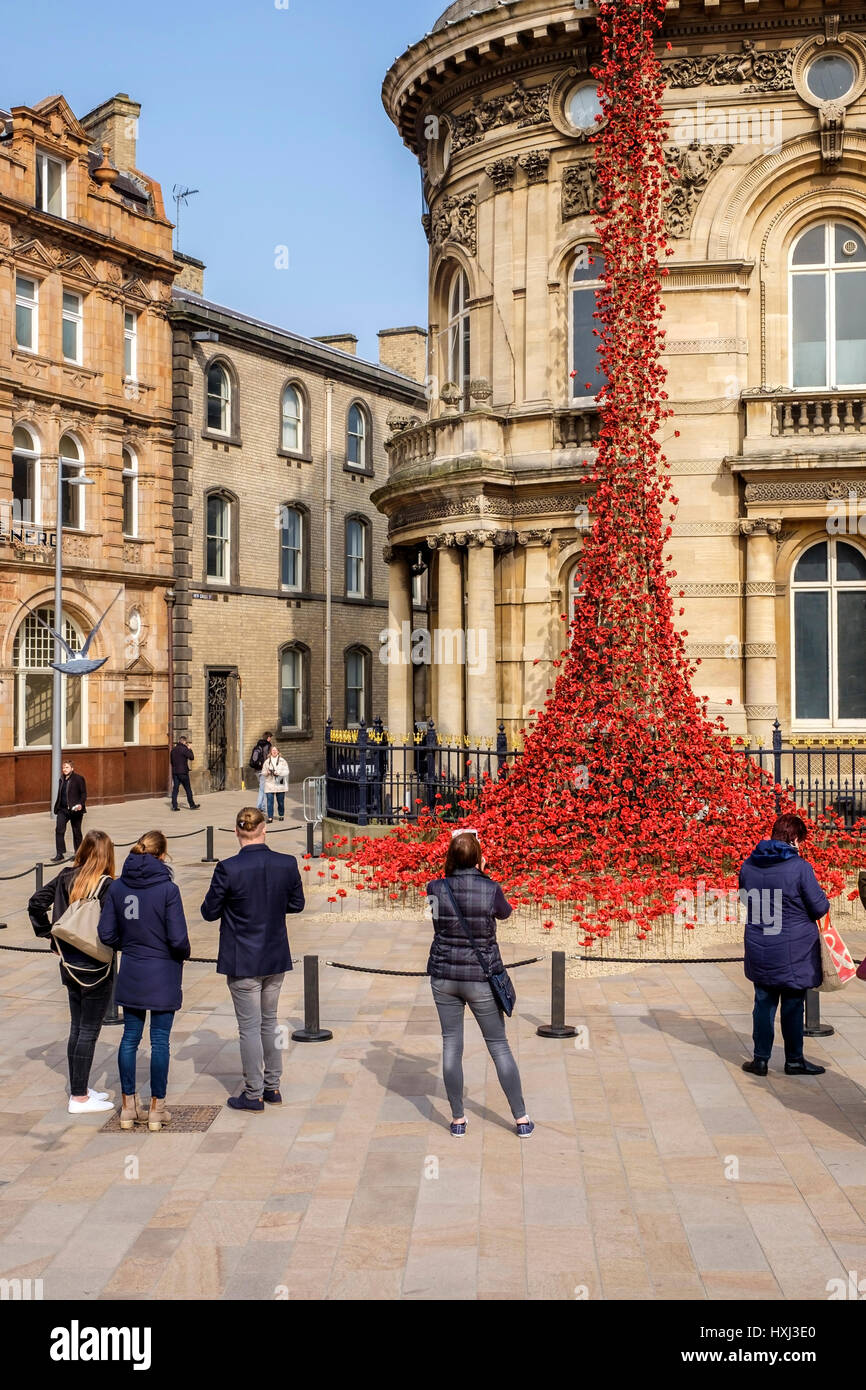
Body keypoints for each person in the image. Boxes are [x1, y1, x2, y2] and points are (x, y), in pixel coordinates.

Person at [427, 832, 533, 1138]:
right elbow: (506, 913)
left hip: (444, 975)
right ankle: (521, 1118)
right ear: (477, 857)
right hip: (480, 977)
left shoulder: (435, 887)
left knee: (451, 1044)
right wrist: (483, 875)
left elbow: (436, 921)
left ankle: (458, 1119)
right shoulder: (490, 888)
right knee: (498, 1046)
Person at [200, 807, 305, 1112]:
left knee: (249, 1027)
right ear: (264, 829)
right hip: (273, 954)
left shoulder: (228, 869)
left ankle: (253, 1092)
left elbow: (208, 912)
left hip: (243, 957)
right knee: (269, 1023)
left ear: (236, 831)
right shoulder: (285, 863)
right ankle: (272, 1086)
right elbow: (297, 904)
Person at [98, 830, 191, 1131]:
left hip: (133, 969)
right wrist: (181, 952)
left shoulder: (118, 887)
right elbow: (178, 939)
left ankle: (128, 1107)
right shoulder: (168, 890)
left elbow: (107, 934)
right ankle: (156, 1108)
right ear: (162, 856)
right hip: (162, 970)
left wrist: (131, 945)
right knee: (159, 1040)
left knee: (129, 1038)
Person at [28, 829, 117, 1115]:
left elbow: (35, 903)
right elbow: (112, 929)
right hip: (97, 966)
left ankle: (80, 1087)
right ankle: (78, 1096)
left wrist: (50, 936)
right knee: (89, 1029)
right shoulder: (108, 885)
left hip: (68, 963)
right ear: (106, 855)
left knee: (77, 1026)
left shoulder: (66, 875)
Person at [739, 812, 830, 1078]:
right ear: (794, 839)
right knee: (792, 1005)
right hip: (794, 949)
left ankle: (760, 1060)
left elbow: (746, 900)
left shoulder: (748, 865)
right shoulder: (800, 867)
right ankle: (794, 1060)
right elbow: (819, 907)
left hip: (759, 944)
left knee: (763, 1004)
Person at [51, 759, 87, 863]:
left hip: (75, 810)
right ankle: (60, 853)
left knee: (76, 832)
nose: (64, 769)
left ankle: (78, 854)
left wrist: (80, 804)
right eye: (63, 767)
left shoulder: (79, 779)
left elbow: (83, 793)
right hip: (62, 809)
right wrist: (57, 807)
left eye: (67, 767)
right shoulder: (61, 779)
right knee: (59, 829)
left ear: (72, 768)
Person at [170, 736, 200, 812]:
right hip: (183, 773)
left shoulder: (173, 750)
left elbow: (171, 762)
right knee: (188, 789)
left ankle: (174, 806)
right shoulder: (184, 749)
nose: (186, 744)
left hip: (175, 772)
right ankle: (192, 805)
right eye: (186, 742)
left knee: (175, 789)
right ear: (184, 742)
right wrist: (190, 749)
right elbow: (192, 757)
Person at [262, 744, 289, 823]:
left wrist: (279, 773)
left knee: (280, 801)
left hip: (279, 781)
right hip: (269, 782)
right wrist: (266, 772)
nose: (274, 752)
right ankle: (270, 817)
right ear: (270, 752)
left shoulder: (282, 761)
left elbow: (287, 771)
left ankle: (281, 814)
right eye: (273, 750)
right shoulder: (267, 761)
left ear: (278, 752)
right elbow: (263, 772)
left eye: (275, 750)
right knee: (270, 801)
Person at [250, 732, 273, 813]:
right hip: (264, 770)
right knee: (263, 789)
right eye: (270, 737)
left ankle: (262, 806)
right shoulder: (268, 746)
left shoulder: (257, 746)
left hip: (257, 770)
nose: (271, 739)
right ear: (268, 738)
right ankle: (260, 806)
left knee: (262, 788)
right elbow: (268, 758)